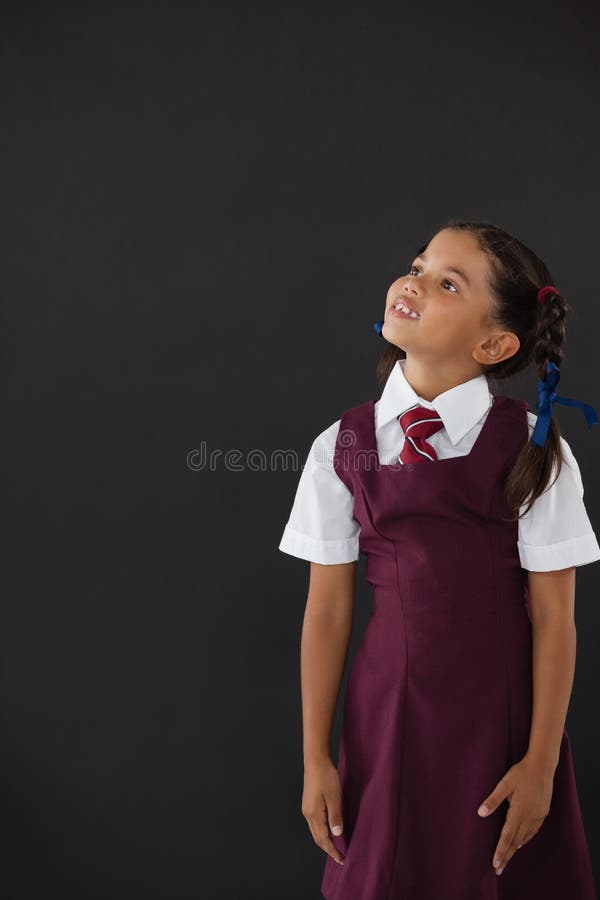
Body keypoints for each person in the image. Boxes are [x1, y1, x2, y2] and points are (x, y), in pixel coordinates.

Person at [278, 220, 600, 900]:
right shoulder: (343, 446)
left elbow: (554, 618)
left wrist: (540, 762)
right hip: (385, 720)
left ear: (494, 343)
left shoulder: (534, 452)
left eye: (447, 281)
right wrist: (315, 757)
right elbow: (329, 609)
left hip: (499, 728)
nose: (414, 281)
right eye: (418, 264)